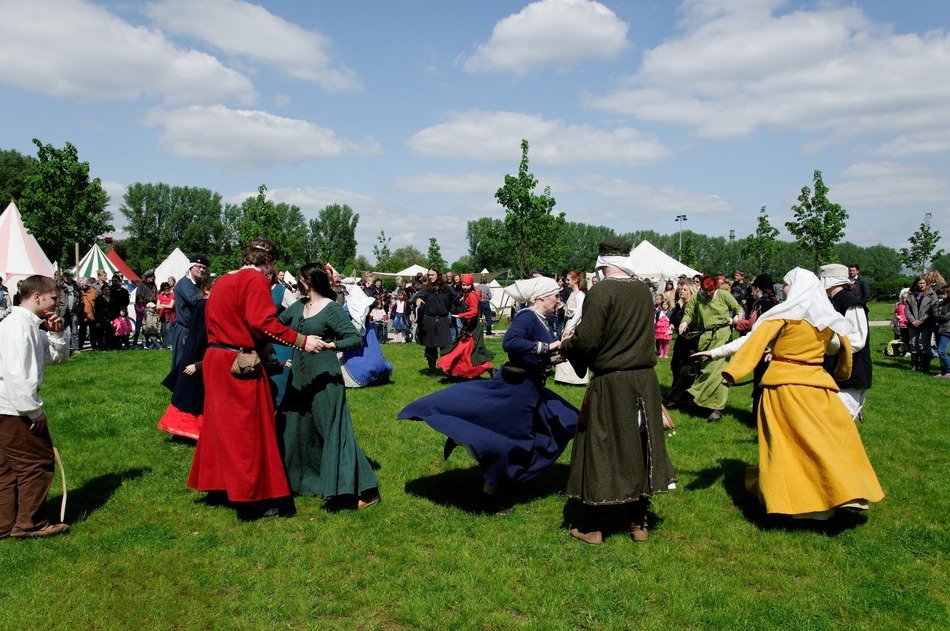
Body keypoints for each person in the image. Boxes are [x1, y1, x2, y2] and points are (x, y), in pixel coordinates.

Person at [398, 276, 579, 515]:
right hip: (517, 391)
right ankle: (492, 491)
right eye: (556, 295)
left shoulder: (543, 320)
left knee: (568, 419)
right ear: (542, 296)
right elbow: (511, 343)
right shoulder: (527, 316)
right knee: (515, 443)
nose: (559, 300)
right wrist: (550, 347)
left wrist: (557, 355)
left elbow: (534, 354)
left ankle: (515, 477)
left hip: (532, 389)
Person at [718, 268, 884, 520]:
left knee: (788, 445)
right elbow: (839, 347)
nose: (782, 289)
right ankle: (842, 491)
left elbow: (752, 343)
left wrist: (730, 369)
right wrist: (843, 367)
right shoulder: (823, 320)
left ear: (796, 287)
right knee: (830, 439)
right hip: (818, 387)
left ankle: (803, 502)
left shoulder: (782, 317)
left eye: (786, 284)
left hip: (785, 389)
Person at [187, 237, 321, 519]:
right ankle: (251, 501)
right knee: (248, 429)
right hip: (238, 362)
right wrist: (302, 340)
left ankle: (218, 488)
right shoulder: (255, 280)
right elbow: (262, 322)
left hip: (216, 358)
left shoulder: (223, 280)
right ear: (269, 263)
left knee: (218, 427)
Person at [560, 238, 676, 544]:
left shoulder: (601, 292)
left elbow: (587, 341)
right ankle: (638, 522)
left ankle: (593, 527)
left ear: (601, 262)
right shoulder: (644, 292)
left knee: (600, 445)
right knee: (640, 444)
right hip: (644, 380)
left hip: (612, 382)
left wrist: (567, 344)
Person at [277, 263, 380, 509]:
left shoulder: (331, 308)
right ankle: (306, 481)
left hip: (325, 377)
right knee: (296, 429)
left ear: (307, 280)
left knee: (334, 431)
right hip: (299, 378)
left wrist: (330, 345)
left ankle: (366, 490)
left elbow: (354, 337)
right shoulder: (298, 306)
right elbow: (276, 327)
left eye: (300, 277)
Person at [0, 275, 70, 538]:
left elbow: (56, 358)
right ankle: (29, 524)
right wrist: (33, 410)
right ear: (37, 296)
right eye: (54, 298)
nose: (57, 303)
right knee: (37, 463)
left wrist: (57, 333)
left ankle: (5, 524)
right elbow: (17, 373)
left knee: (7, 468)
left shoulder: (29, 325)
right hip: (12, 407)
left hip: (9, 405)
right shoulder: (18, 325)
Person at [676, 275, 742, 421]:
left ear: (715, 288)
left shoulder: (724, 295)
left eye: (711, 291)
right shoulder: (696, 298)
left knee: (719, 372)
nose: (709, 294)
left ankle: (717, 408)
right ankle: (704, 402)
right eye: (706, 291)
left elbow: (738, 309)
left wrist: (738, 316)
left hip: (723, 336)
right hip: (705, 338)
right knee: (707, 371)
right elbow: (688, 313)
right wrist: (684, 323)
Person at [158, 277, 213, 440]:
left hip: (194, 351)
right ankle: (187, 432)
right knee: (192, 392)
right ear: (207, 290)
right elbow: (202, 334)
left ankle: (184, 433)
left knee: (191, 391)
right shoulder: (204, 305)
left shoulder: (202, 305)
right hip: (197, 352)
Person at [819, 264, 872, 420]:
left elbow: (857, 339)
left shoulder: (851, 303)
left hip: (853, 371)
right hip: (836, 369)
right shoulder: (832, 302)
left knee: (841, 420)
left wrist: (831, 344)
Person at [436, 273, 494, 379]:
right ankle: (465, 372)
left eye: (467, 285)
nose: (465, 287)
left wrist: (460, 315)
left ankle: (489, 368)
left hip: (473, 329)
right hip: (468, 328)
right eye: (463, 285)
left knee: (469, 352)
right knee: (465, 352)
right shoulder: (467, 294)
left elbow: (474, 311)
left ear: (471, 284)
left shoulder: (472, 295)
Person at [411, 267, 457, 376]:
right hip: (429, 320)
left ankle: (446, 369)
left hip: (443, 320)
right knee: (431, 347)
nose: (430, 277)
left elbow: (456, 298)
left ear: (438, 275)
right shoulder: (426, 287)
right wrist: (418, 299)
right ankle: (432, 370)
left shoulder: (446, 287)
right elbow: (418, 296)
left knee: (445, 347)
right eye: (429, 275)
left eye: (432, 274)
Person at [171, 256, 209, 367]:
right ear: (191, 267)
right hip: (184, 330)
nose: (201, 270)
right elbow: (193, 300)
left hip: (193, 330)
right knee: (182, 364)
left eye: (204, 268)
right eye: (198, 267)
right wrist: (208, 295)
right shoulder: (184, 283)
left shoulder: (198, 285)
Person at [554, 270, 589, 385]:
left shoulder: (580, 295)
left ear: (575, 280)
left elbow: (579, 312)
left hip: (573, 323)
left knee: (571, 347)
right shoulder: (572, 294)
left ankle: (574, 378)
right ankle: (564, 377)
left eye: (568, 279)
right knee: (565, 347)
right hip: (568, 322)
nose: (567, 281)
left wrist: (570, 327)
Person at [906, 275, 938, 373]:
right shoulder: (910, 295)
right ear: (916, 284)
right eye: (920, 283)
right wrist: (913, 320)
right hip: (913, 324)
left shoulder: (932, 295)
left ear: (927, 284)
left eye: (924, 283)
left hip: (926, 323)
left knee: (926, 345)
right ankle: (914, 366)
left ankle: (925, 367)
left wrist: (921, 320)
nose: (922, 285)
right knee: (913, 345)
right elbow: (907, 310)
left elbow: (932, 310)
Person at [933, 283, 950, 377]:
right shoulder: (940, 303)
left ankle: (949, 369)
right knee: (940, 352)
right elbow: (934, 312)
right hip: (938, 328)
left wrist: (937, 316)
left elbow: (946, 317)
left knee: (941, 351)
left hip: (947, 329)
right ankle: (943, 370)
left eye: (942, 294)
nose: (940, 296)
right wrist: (937, 307)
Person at [156, 281, 175, 349]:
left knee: (169, 329)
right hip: (162, 315)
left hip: (170, 315)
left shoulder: (172, 295)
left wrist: (162, 305)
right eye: (165, 289)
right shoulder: (160, 295)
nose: (166, 290)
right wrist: (164, 305)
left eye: (167, 288)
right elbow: (157, 306)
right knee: (163, 330)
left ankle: (171, 344)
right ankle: (165, 344)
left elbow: (171, 306)